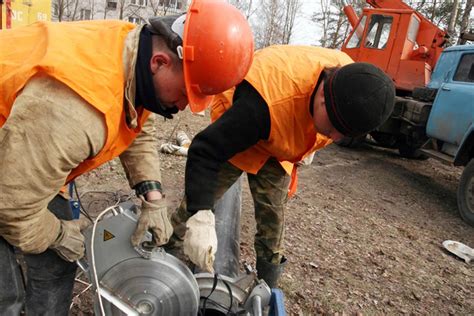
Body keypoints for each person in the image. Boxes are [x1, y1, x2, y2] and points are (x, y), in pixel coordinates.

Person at [0, 0, 254, 313]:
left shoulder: (132, 50)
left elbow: (135, 122)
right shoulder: (74, 111)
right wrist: (56, 233)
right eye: (187, 93)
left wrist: (153, 195)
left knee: (55, 262)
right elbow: (11, 208)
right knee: (5, 293)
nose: (187, 106)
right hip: (16, 162)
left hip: (26, 146)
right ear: (160, 63)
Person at [169, 45, 396, 288]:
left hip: (282, 140)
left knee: (272, 218)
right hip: (256, 122)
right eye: (332, 129)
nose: (335, 138)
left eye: (343, 135)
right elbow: (205, 151)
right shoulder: (260, 105)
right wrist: (202, 213)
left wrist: (309, 144)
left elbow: (334, 125)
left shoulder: (357, 85)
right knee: (200, 199)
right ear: (322, 97)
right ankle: (164, 250)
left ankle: (267, 286)